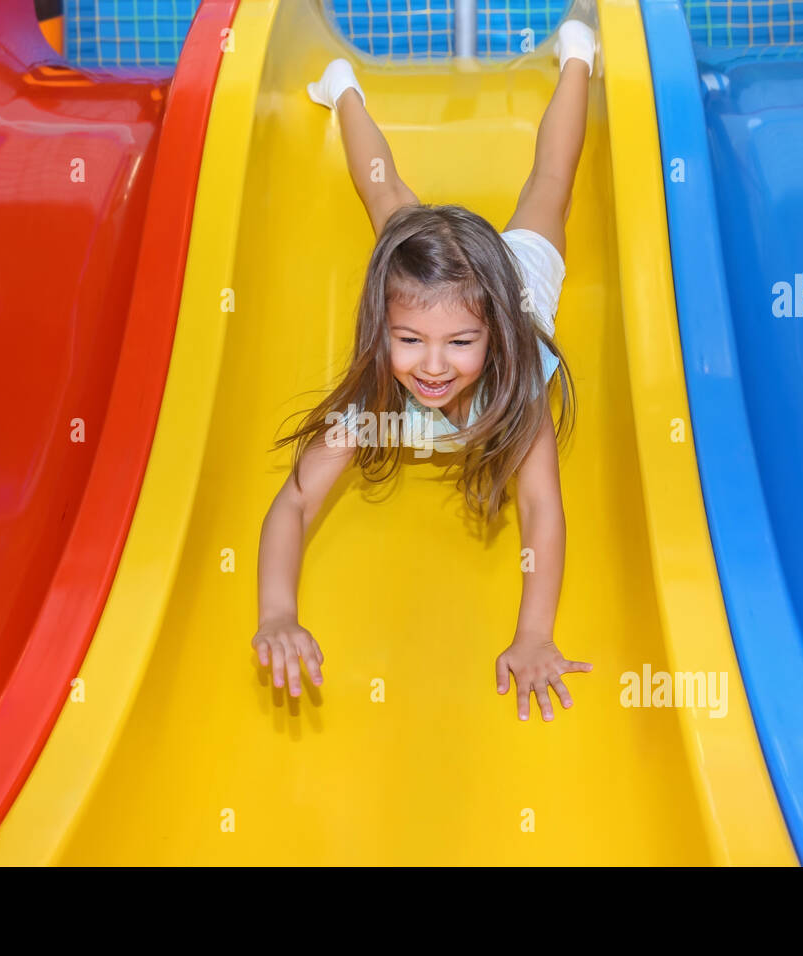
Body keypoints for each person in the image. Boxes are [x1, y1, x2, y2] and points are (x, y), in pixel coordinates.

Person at [253, 19, 599, 721]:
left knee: (551, 183)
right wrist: (277, 612)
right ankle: (344, 91)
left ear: (491, 334)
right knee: (387, 199)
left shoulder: (512, 386)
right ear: (382, 324)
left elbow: (540, 509)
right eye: (409, 339)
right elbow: (293, 502)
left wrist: (534, 634)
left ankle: (578, 59)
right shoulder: (379, 393)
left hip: (519, 285)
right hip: (443, 279)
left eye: (460, 344)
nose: (433, 367)